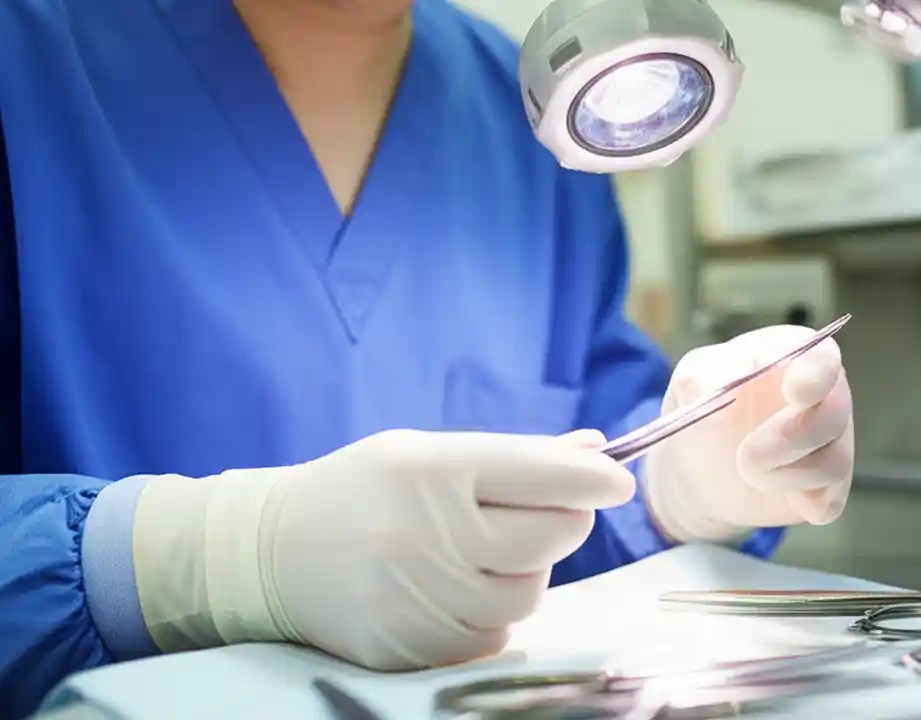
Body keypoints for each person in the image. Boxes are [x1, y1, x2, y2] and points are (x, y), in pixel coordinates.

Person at [0, 0, 855, 716]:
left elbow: (571, 490)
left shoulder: (538, 103)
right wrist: (203, 560)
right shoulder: (29, 54)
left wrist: (681, 485)